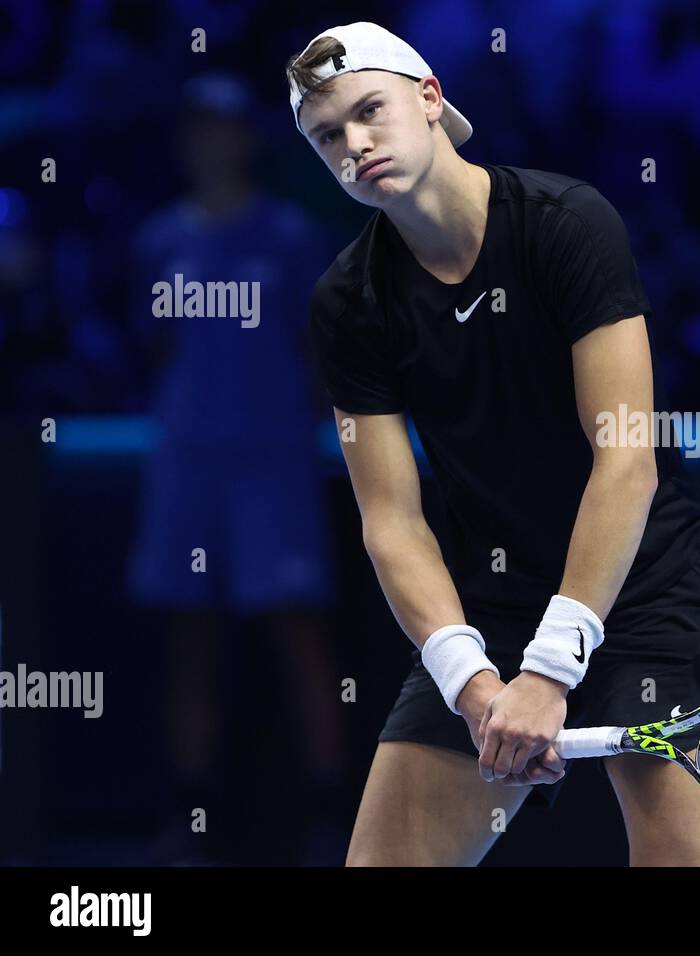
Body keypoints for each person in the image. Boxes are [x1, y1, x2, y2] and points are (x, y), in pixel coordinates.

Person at [285, 22, 700, 866]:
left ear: (429, 100)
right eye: (326, 137)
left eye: (368, 111)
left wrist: (551, 668)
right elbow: (391, 522)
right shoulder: (347, 302)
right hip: (488, 607)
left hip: (643, 588)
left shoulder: (567, 224)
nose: (354, 144)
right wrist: (474, 680)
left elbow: (626, 459)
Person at [127, 73, 345, 864]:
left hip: (274, 462)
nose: (206, 143)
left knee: (297, 630)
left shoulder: (289, 237)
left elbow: (322, 345)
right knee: (188, 635)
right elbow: (153, 348)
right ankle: (186, 819)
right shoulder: (159, 241)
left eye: (221, 127)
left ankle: (327, 820)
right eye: (195, 128)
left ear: (246, 139)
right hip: (186, 462)